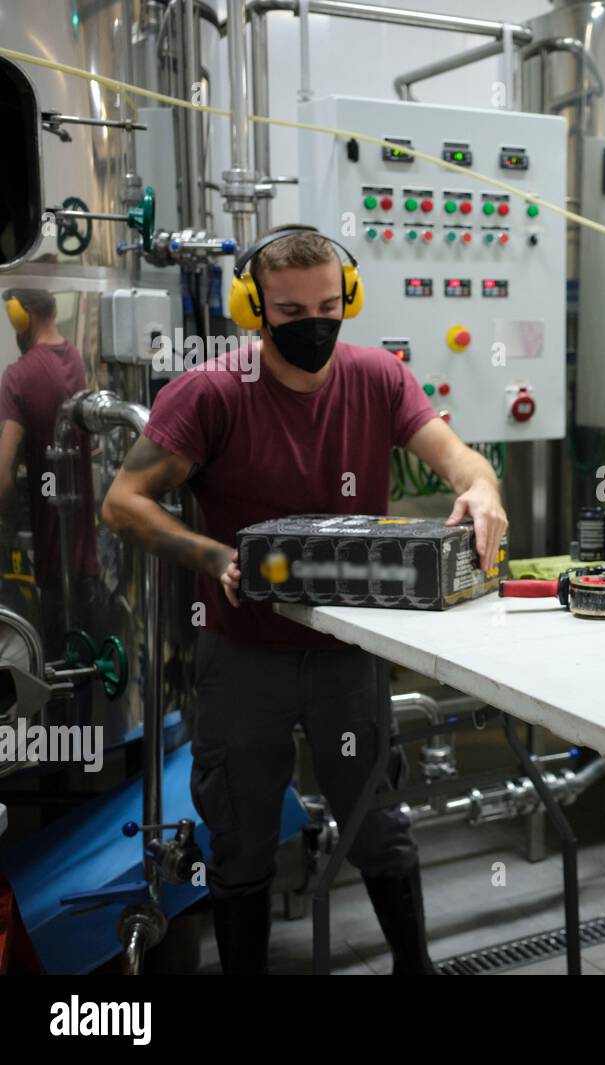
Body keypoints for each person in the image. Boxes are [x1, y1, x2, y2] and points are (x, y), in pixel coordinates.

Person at [102, 225, 508, 974]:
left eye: (330, 305)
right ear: (253, 308)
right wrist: (215, 555)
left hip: (349, 653)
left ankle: (414, 966)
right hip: (242, 653)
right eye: (291, 312)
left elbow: (458, 460)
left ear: (348, 298)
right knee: (242, 839)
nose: (315, 324)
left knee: (378, 824)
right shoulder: (213, 393)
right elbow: (123, 502)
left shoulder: (379, 379)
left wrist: (481, 490)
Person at [0, 288, 99, 650]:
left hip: (51, 563)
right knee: (84, 671)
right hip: (87, 557)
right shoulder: (74, 356)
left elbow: (3, 473)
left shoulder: (19, 376)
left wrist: (7, 524)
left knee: (51, 673)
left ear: (18, 315)